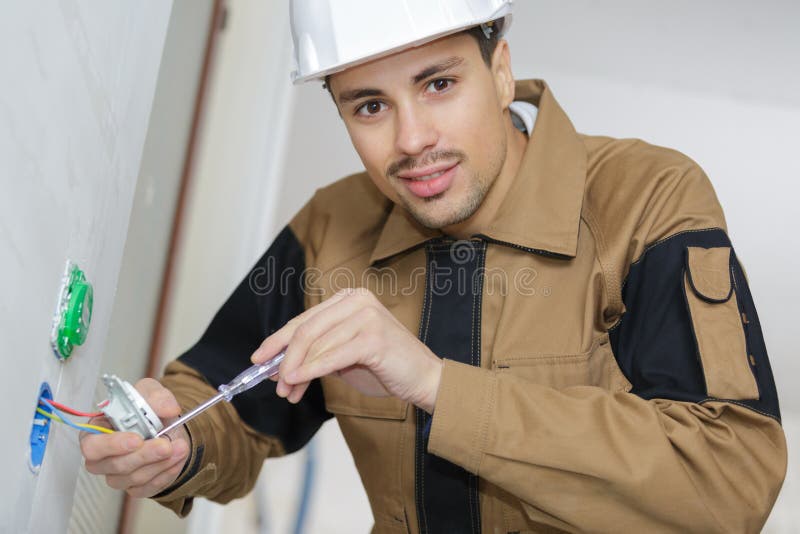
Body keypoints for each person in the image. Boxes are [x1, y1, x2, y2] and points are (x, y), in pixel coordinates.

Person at [80, 1, 787, 532]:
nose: (412, 140)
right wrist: (178, 442)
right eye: (369, 105)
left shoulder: (645, 199)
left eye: (439, 84)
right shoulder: (331, 228)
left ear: (501, 69)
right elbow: (224, 404)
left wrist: (435, 386)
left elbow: (727, 479)